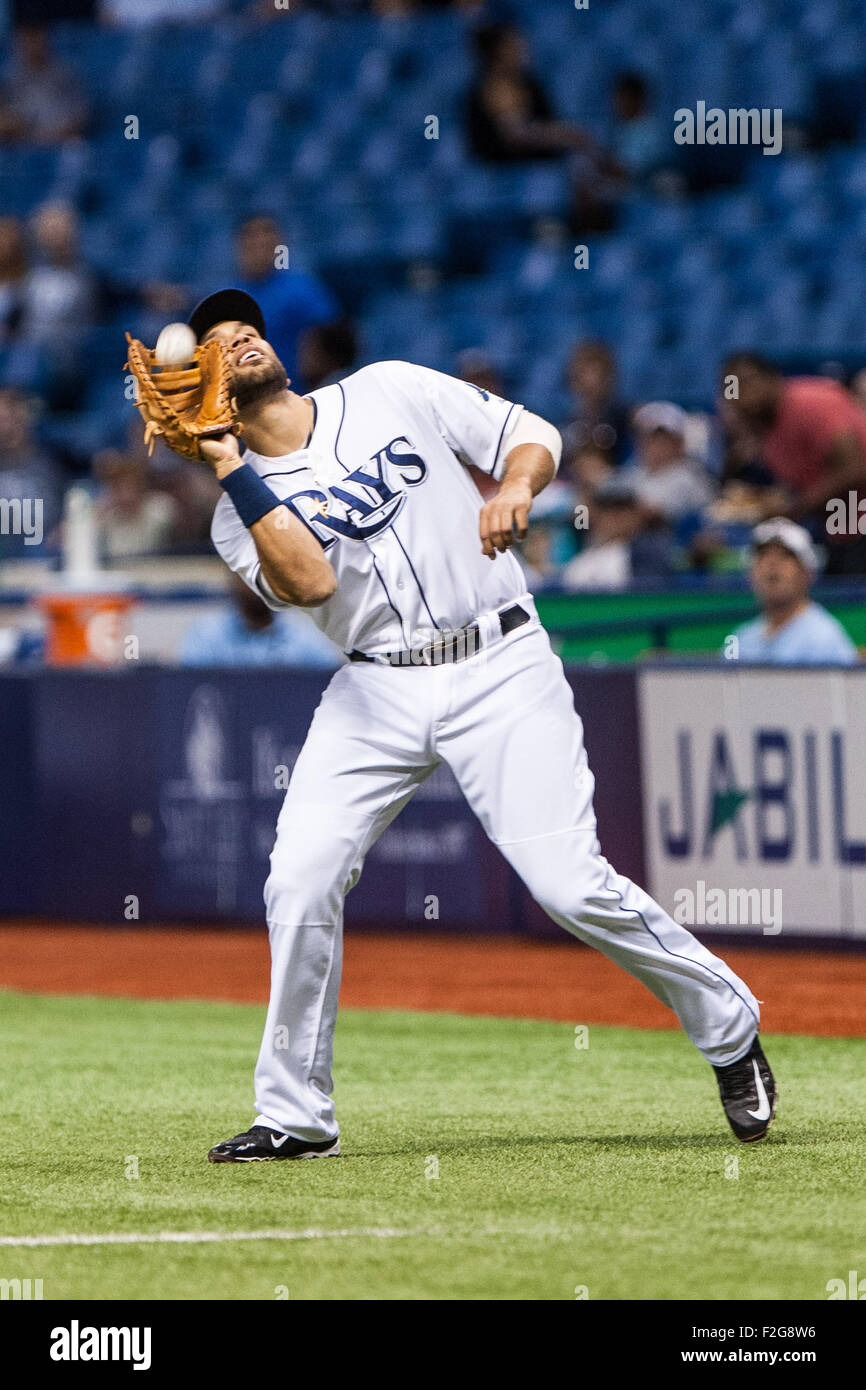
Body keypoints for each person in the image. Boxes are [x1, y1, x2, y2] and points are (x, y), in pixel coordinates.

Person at [159, 285, 776, 1163]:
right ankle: (295, 1115)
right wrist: (228, 464)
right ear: (203, 394)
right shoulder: (236, 515)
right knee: (297, 879)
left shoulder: (387, 388)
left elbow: (534, 434)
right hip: (374, 690)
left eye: (247, 328)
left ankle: (729, 1028)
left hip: (499, 661)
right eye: (219, 342)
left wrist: (517, 486)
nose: (241, 338)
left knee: (569, 886)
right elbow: (310, 584)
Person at [721, 352, 866, 574]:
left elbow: (855, 467)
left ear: (773, 378)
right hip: (842, 528)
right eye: (732, 387)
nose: (742, 394)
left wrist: (795, 508)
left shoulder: (811, 402)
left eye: (748, 381)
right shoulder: (763, 427)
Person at [232, 215, 340, 394]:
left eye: (266, 240)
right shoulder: (227, 296)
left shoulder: (303, 288)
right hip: (246, 396)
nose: (259, 245)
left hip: (300, 393)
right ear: (241, 245)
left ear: (278, 246)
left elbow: (330, 339)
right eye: (252, 239)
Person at [729, 518, 858, 666]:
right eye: (762, 555)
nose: (772, 564)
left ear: (808, 573)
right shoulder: (741, 639)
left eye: (786, 555)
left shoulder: (825, 639)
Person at [179, 571, 341, 669]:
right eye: (245, 574)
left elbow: (328, 686)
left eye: (264, 574)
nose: (255, 584)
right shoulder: (206, 634)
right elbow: (190, 688)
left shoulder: (306, 637)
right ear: (232, 579)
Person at [561, 474, 672, 590]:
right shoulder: (582, 560)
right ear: (597, 516)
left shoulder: (652, 552)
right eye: (607, 510)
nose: (615, 517)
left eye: (622, 509)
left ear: (637, 514)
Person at [624, 401, 714, 525]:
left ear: (679, 443)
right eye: (648, 439)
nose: (654, 447)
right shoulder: (634, 474)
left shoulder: (690, 476)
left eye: (662, 440)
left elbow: (653, 513)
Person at [0, 26, 89, 144]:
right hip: (23, 146)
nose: (32, 43)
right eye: (27, 37)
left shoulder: (65, 74)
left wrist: (50, 136)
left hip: (60, 144)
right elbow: (6, 122)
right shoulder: (9, 78)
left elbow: (80, 118)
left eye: (36, 36)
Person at [560, 341, 630, 467]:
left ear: (609, 378)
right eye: (581, 374)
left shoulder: (626, 419)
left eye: (595, 374)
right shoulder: (567, 424)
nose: (588, 382)